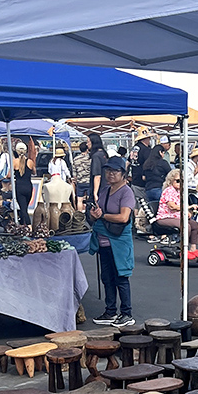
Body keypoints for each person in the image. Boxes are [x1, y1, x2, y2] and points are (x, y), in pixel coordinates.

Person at [88, 156, 136, 327]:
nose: (111, 174)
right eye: (108, 170)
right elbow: (98, 213)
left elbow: (124, 217)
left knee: (121, 278)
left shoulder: (126, 192)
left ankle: (126, 313)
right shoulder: (105, 191)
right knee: (107, 278)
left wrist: (102, 216)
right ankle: (110, 311)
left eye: (115, 171)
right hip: (104, 242)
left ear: (123, 174)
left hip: (118, 243)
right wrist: (95, 216)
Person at [156, 169, 198, 257]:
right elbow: (172, 206)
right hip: (165, 217)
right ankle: (184, 249)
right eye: (178, 181)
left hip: (175, 216)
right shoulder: (169, 191)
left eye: (182, 181)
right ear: (171, 180)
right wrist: (187, 208)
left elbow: (181, 206)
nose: (180, 183)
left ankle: (193, 249)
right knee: (186, 226)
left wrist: (187, 211)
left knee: (194, 224)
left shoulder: (179, 192)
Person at [13, 141, 35, 225]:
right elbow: (34, 172)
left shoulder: (14, 162)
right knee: (25, 207)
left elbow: (9, 175)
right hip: (28, 187)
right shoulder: (30, 162)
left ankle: (29, 226)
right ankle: (23, 225)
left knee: (23, 209)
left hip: (19, 187)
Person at [128, 127, 152, 200]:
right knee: (143, 206)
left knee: (136, 205)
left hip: (134, 180)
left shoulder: (134, 148)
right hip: (143, 182)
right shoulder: (146, 150)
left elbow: (127, 162)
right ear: (146, 139)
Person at [88, 133, 108, 203]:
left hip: (100, 189)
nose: (87, 144)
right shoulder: (104, 153)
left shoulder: (96, 156)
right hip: (106, 187)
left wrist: (95, 193)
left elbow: (97, 176)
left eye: (88, 142)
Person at [72, 141, 91, 210]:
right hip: (89, 181)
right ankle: (89, 214)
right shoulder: (90, 158)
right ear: (87, 149)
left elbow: (74, 173)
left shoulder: (76, 159)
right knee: (89, 199)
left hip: (80, 182)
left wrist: (76, 180)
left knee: (79, 200)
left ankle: (80, 215)